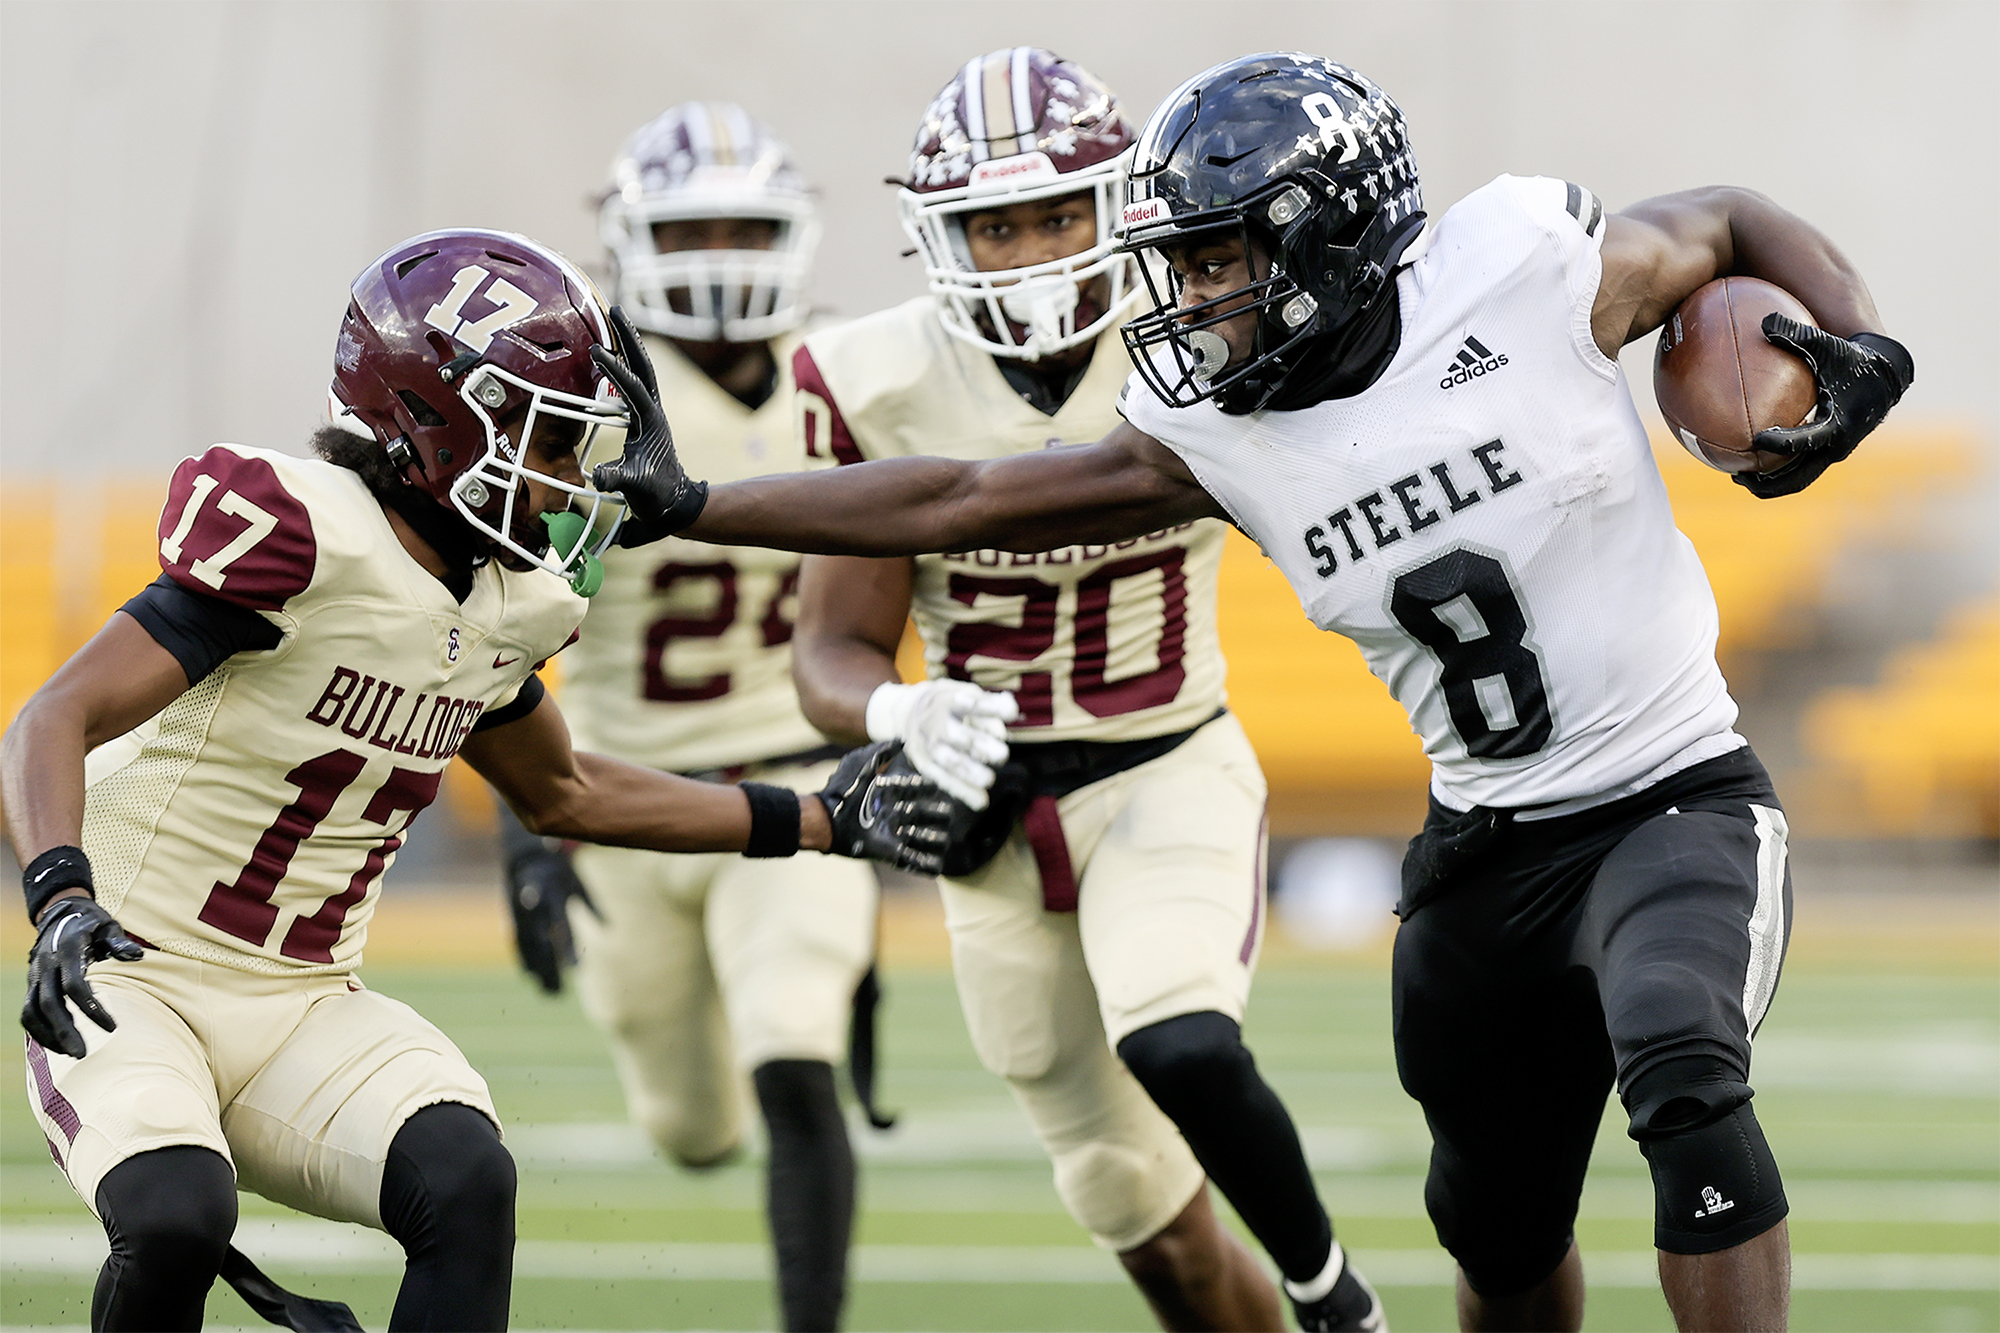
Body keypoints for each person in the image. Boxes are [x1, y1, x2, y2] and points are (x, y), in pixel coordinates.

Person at [582, 51, 1916, 1333]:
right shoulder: (1217, 430)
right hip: (1481, 846)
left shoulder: (1521, 265)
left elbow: (1731, 216)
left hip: (1671, 792)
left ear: (1321, 232)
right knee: (1496, 1231)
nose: (1182, 297)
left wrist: (1856, 342)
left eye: (1215, 257)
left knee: (1683, 1068)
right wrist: (699, 503)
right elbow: (963, 493)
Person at [4, 227, 951, 1332]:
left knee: (464, 1176)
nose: (565, 475)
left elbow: (568, 795)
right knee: (173, 1214)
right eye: (546, 438)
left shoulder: (515, 601)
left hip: (301, 1001)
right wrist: (62, 893)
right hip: (135, 976)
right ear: (430, 422)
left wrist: (815, 819)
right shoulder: (306, 536)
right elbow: (51, 715)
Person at [781, 47, 1378, 1333]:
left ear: (1120, 207)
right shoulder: (871, 380)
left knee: (1181, 1040)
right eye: (998, 225)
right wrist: (895, 712)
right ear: (940, 237)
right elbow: (828, 652)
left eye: (1061, 213)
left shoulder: (1198, 334)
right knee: (1142, 1219)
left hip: (1165, 768)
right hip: (986, 827)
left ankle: (1338, 1302)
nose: (1037, 251)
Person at [496, 103, 881, 1333]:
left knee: (793, 1054)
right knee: (692, 1130)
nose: (719, 253)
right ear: (628, 243)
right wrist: (521, 822)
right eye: (692, 228)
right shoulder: (583, 403)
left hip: (790, 774)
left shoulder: (854, 386)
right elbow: (498, 616)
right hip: (617, 801)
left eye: (742, 227)